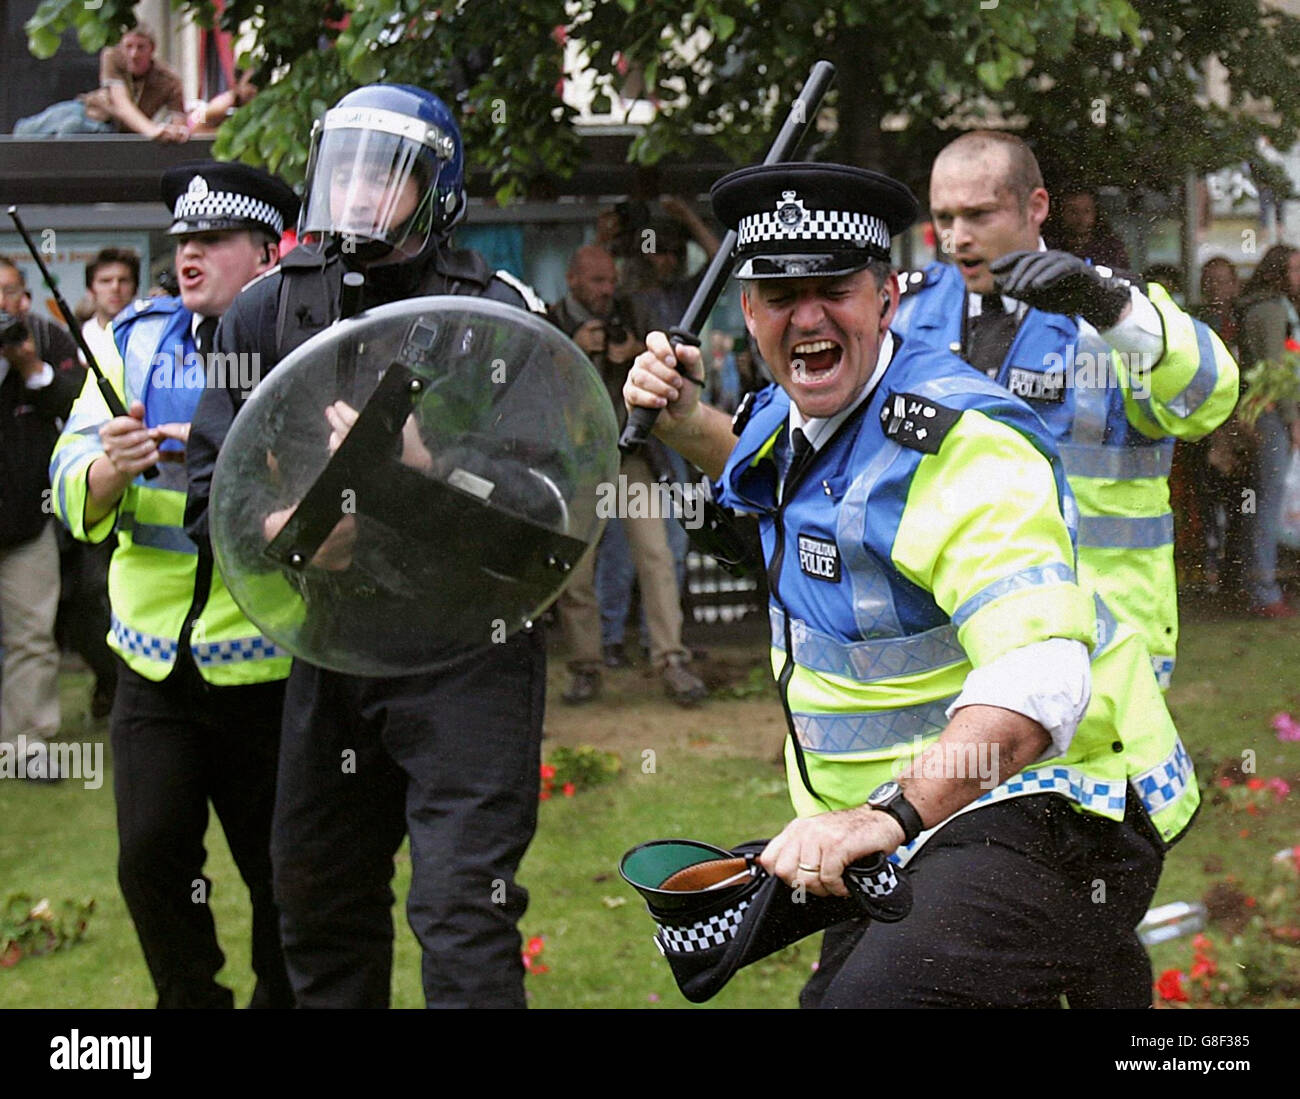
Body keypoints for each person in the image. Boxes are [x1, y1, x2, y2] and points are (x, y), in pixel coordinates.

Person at [625, 161, 1198, 1008]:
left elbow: (1039, 679)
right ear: (748, 312)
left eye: (834, 290)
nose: (808, 316)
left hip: (1055, 807)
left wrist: (883, 819)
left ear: (887, 298)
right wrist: (680, 422)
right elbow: (772, 476)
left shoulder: (963, 444)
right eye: (780, 295)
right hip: (921, 826)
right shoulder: (790, 415)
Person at [184, 84, 552, 1008]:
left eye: (385, 176)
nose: (357, 193)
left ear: (438, 192)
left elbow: (551, 512)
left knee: (465, 909)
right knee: (316, 896)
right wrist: (285, 535)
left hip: (471, 650)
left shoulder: (497, 313)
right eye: (341, 169)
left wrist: (433, 473)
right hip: (334, 647)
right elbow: (209, 487)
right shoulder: (264, 312)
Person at [49, 160, 299, 1007]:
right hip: (152, 669)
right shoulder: (131, 338)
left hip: (270, 670)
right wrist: (107, 473)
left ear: (268, 252)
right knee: (149, 857)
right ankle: (189, 1000)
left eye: (213, 240)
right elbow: (69, 468)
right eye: (182, 240)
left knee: (284, 877)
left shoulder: (307, 341)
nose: (189, 255)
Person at [893, 131, 1239, 688]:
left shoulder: (1109, 308)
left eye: (979, 215)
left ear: (1037, 207)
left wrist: (1116, 313)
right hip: (960, 647)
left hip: (1103, 651)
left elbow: (1206, 397)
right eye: (945, 218)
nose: (957, 238)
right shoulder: (907, 314)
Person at [549, 244, 706, 705]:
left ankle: (671, 660)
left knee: (656, 555)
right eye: (597, 281)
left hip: (627, 456)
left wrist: (635, 350)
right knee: (575, 572)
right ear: (573, 280)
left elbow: (667, 364)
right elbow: (533, 386)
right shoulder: (552, 321)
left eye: (610, 280)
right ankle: (585, 666)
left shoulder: (632, 312)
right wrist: (571, 352)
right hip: (576, 464)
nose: (606, 290)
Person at [0, 264, 85, 780]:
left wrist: (31, 368)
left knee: (33, 634)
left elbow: (78, 404)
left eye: (8, 293)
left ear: (25, 299)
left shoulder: (46, 335)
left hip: (26, 522)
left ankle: (25, 745)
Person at [1235, 244, 1300, 616]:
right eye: (1293, 270)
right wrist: (1293, 421)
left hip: (1259, 413)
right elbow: (1278, 371)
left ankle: (1259, 584)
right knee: (1267, 503)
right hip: (1271, 415)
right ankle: (1264, 590)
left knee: (1259, 501)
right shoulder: (1273, 310)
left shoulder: (1257, 306)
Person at [15, 23, 186, 143]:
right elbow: (122, 104)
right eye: (129, 47)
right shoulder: (112, 57)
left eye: (141, 47)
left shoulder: (168, 80)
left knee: (72, 132)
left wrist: (173, 133)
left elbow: (180, 124)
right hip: (88, 112)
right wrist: (152, 130)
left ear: (152, 49)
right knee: (26, 132)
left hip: (114, 132)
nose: (134, 54)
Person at [1044, 187, 1130, 269]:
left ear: (1095, 213)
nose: (1080, 217)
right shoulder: (1049, 247)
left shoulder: (1110, 249)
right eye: (1072, 211)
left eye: (1087, 211)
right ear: (1061, 213)